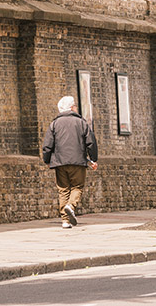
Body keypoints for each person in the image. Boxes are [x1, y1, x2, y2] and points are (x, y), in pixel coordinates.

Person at [42, 95, 98, 228]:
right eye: (75, 106)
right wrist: (93, 158)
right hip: (78, 161)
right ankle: (70, 206)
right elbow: (91, 142)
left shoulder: (54, 124)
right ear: (72, 107)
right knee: (77, 187)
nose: (76, 108)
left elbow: (47, 145)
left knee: (63, 189)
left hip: (60, 162)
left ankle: (65, 220)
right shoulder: (81, 123)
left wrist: (47, 159)